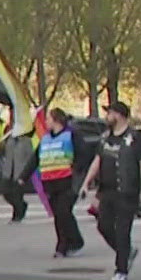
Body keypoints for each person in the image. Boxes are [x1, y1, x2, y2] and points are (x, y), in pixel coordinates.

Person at [79, 101, 141, 280]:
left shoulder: (135, 138)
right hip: (107, 191)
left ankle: (121, 270)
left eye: (109, 113)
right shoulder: (105, 138)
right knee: (103, 226)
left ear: (119, 115)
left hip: (127, 191)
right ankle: (126, 252)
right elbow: (97, 161)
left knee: (122, 231)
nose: (107, 117)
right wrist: (86, 183)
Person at [40, 108, 84, 258]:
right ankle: (68, 243)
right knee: (60, 215)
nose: (46, 122)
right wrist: (23, 176)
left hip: (68, 181)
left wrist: (77, 170)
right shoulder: (45, 138)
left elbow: (83, 154)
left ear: (56, 120)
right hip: (51, 183)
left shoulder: (71, 135)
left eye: (48, 119)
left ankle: (66, 244)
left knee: (63, 212)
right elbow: (36, 158)